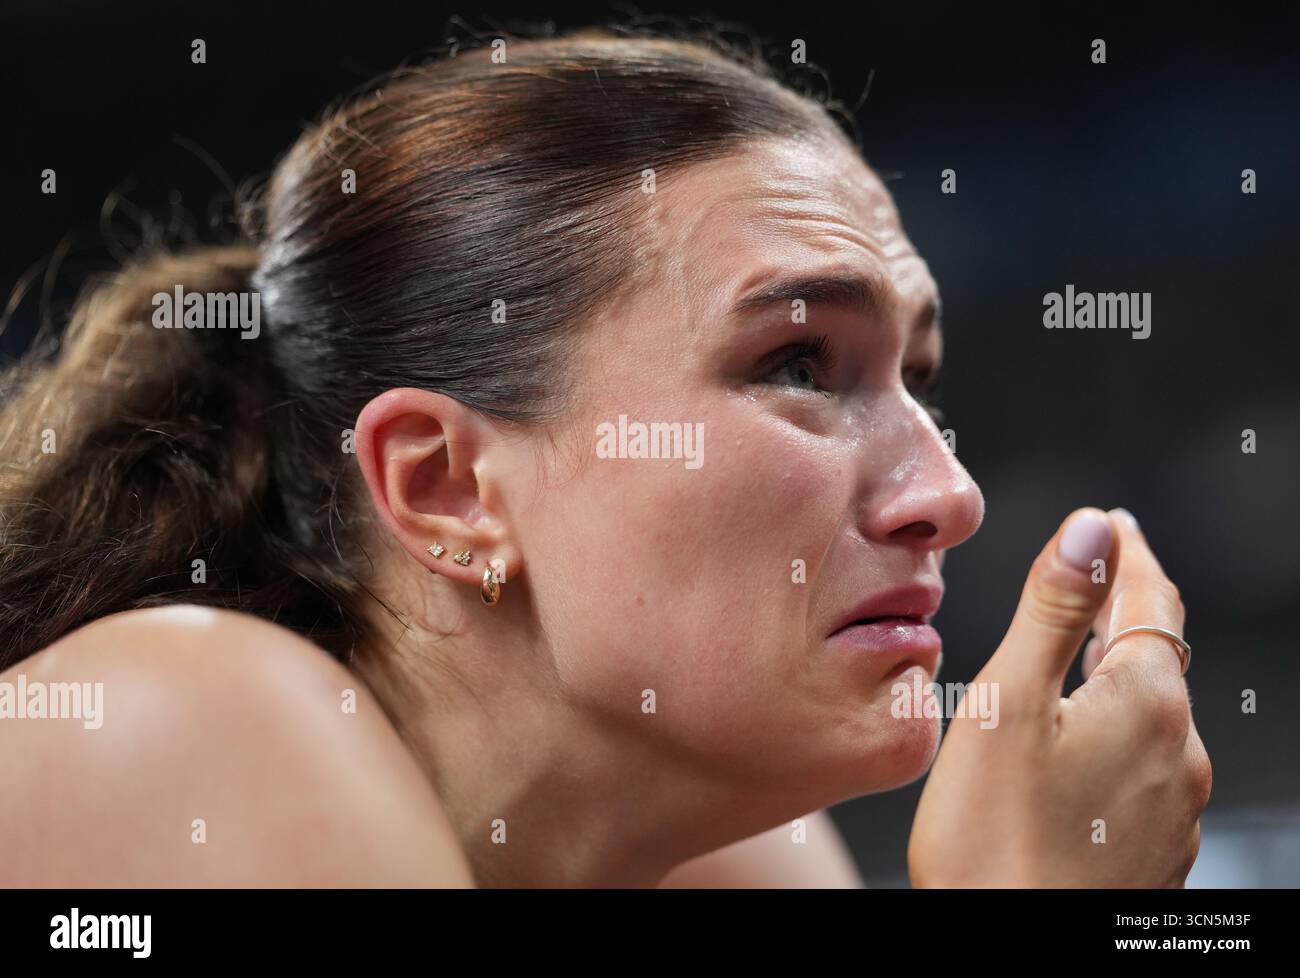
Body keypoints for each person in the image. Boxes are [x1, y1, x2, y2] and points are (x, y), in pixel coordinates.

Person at [0, 26, 1209, 887]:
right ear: (447, 487)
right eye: (796, 364)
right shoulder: (177, 714)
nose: (947, 495)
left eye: (918, 380)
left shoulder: (720, 852)